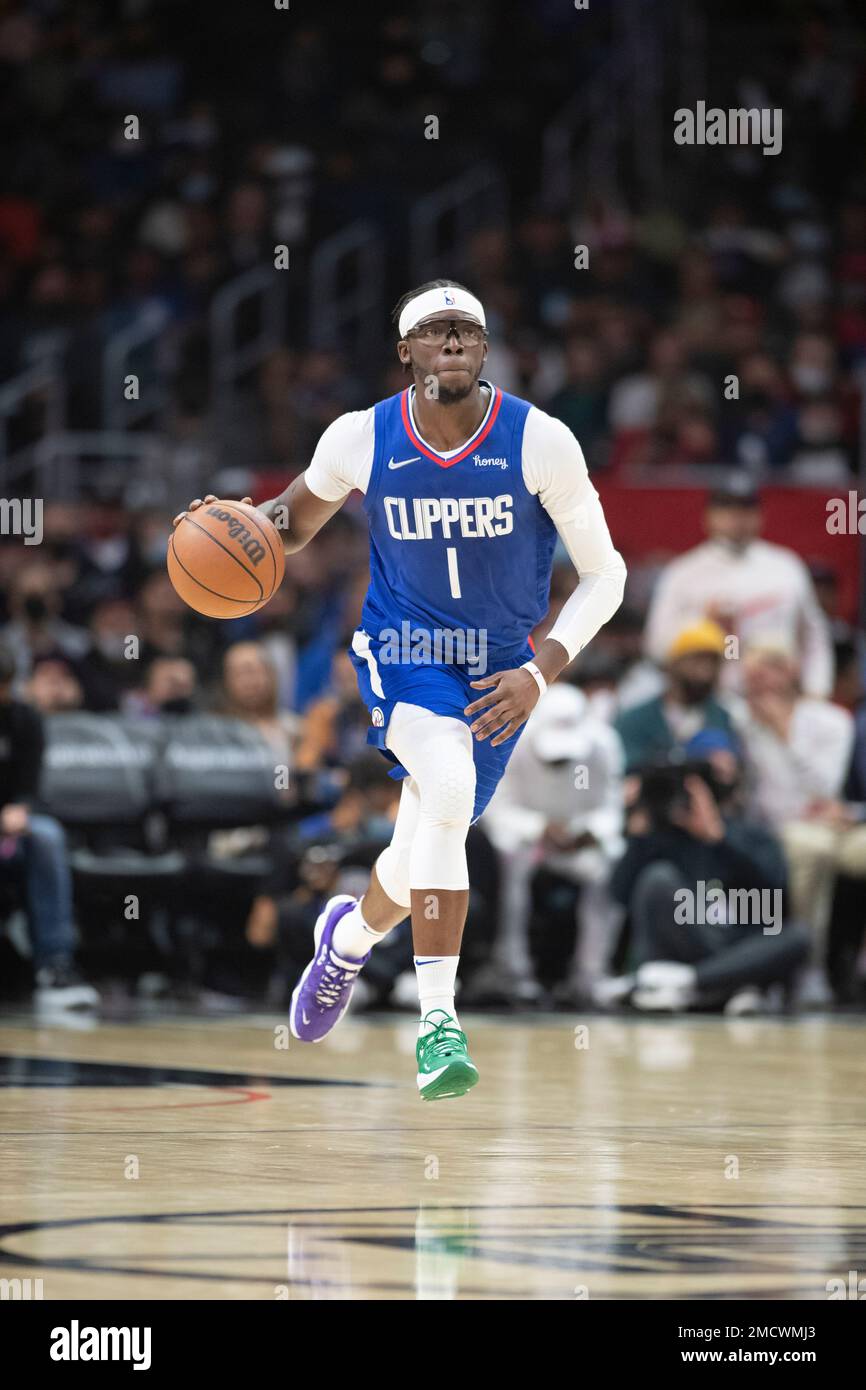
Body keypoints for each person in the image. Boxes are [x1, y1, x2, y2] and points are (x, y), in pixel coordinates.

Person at [175, 278, 626, 1100]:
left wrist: (540, 671)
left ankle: (348, 939)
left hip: (500, 668)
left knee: (417, 846)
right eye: (433, 329)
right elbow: (290, 521)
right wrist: (236, 524)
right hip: (402, 649)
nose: (450, 339)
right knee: (447, 789)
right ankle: (438, 1026)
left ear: (484, 351)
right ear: (405, 352)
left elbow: (606, 574)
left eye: (465, 329)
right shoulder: (359, 437)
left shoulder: (540, 440)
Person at [481, 681, 625, 1003]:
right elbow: (496, 807)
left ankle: (591, 974)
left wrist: (589, 831)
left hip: (580, 844)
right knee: (509, 867)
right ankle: (512, 970)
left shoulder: (604, 744)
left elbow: (611, 807)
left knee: (607, 871)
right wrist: (538, 828)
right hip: (528, 842)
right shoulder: (511, 741)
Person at [738, 641, 862, 1004]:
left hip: (837, 825)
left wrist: (784, 730)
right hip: (779, 829)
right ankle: (807, 968)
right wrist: (775, 726)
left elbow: (824, 787)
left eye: (772, 668)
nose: (762, 682)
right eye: (754, 674)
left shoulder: (831, 720)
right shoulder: (744, 723)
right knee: (811, 847)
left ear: (792, 670)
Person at [643, 479, 833, 697]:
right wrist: (702, 628)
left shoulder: (786, 567)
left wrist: (817, 689)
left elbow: (814, 636)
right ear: (709, 516)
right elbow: (655, 646)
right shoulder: (684, 573)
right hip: (711, 700)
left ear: (759, 515)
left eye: (745, 508)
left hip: (778, 697)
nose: (736, 517)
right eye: (726, 508)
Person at [0, 644, 98, 1009]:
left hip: (11, 829)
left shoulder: (24, 718)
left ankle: (54, 966)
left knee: (47, 835)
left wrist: (20, 809)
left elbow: (30, 787)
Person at [614, 620, 737, 774]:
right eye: (697, 660)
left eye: (712, 662)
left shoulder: (721, 717)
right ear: (673, 663)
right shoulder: (636, 719)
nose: (705, 671)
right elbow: (621, 767)